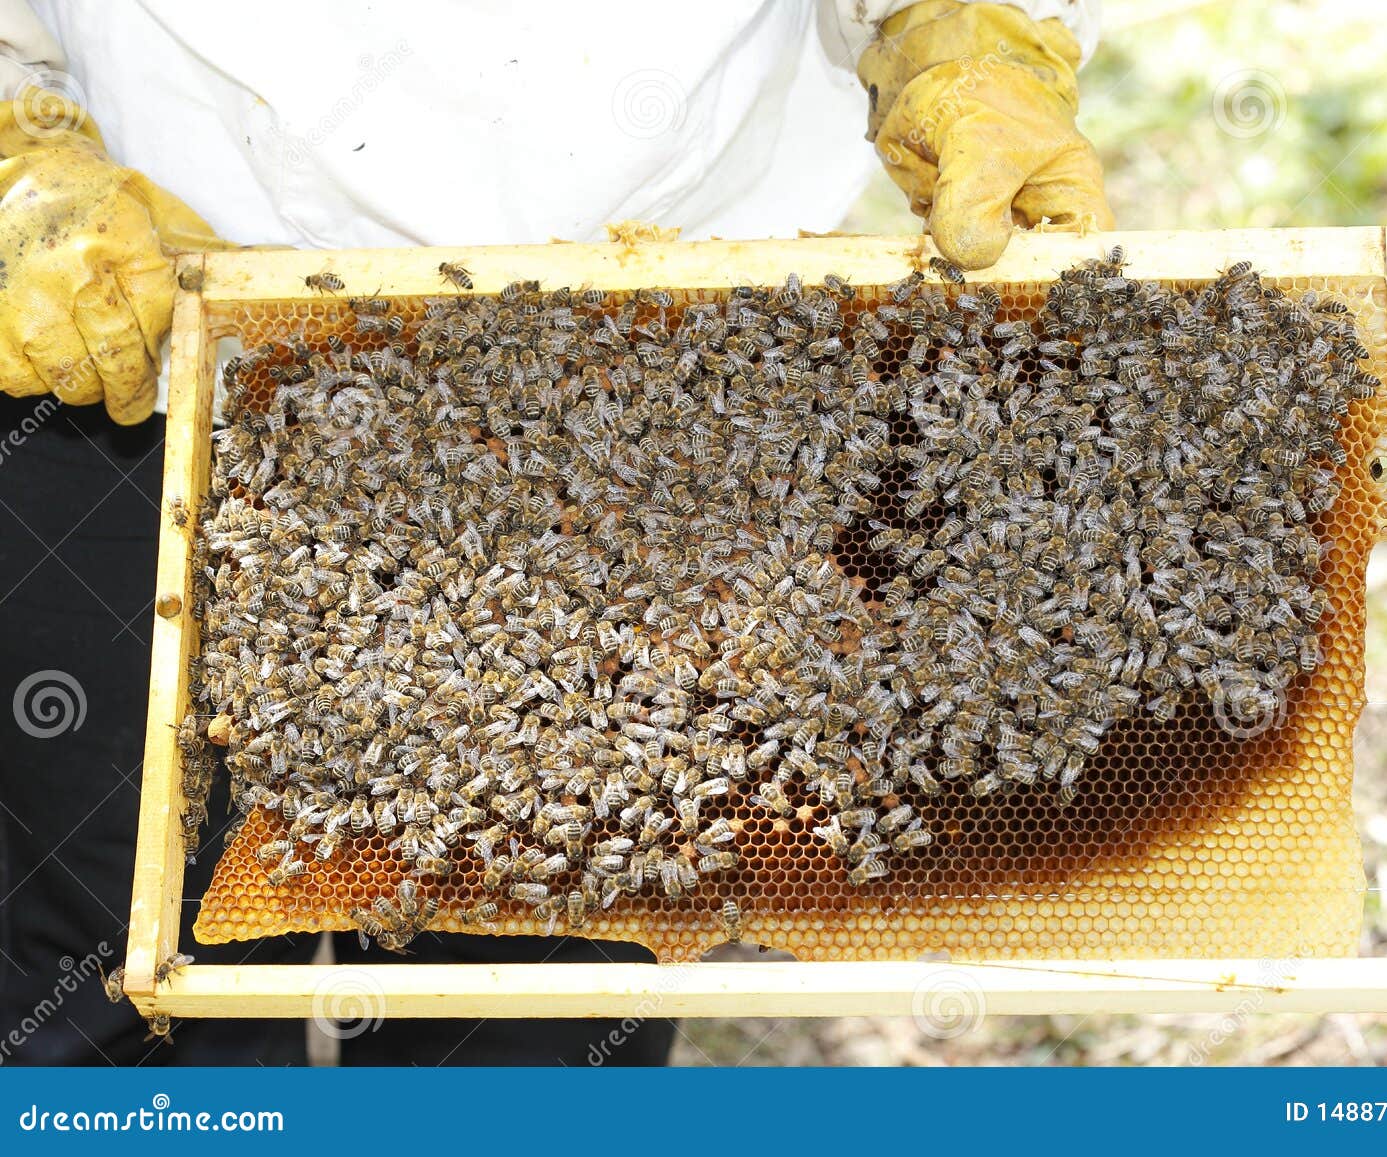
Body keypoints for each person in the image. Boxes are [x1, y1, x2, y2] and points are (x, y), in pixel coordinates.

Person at [0, 0, 1111, 1066]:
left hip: (657, 358)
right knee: (104, 963)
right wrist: (15, 132)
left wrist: (968, 29)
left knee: (542, 993)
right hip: (142, 310)